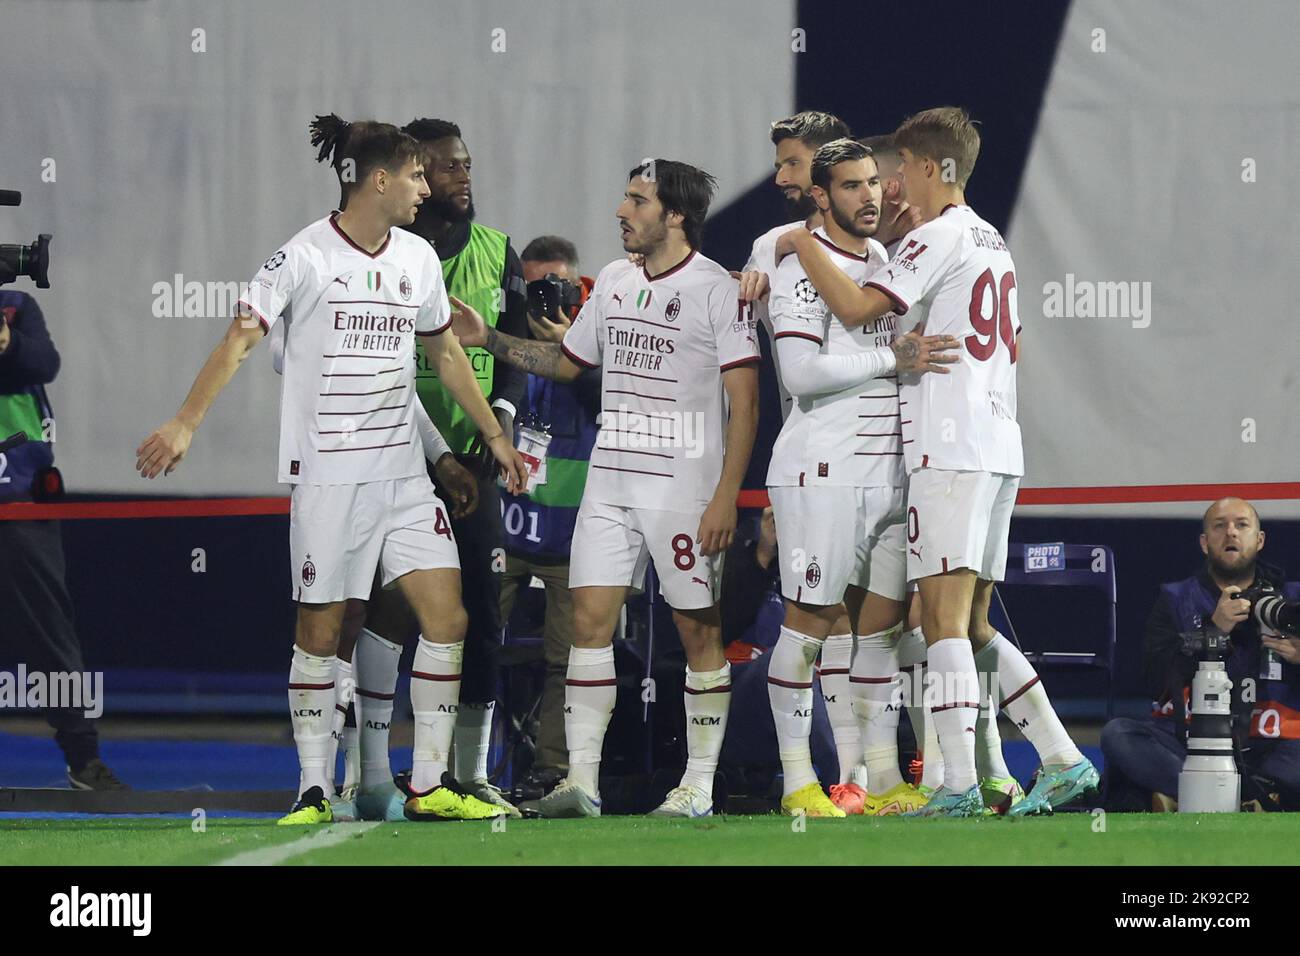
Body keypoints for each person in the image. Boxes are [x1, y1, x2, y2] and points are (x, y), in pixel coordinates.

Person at [136, 114, 525, 824]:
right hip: (329, 477)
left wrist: (491, 436)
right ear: (379, 179)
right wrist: (186, 419)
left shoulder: (415, 259)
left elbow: (442, 356)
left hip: (404, 479)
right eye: (414, 176)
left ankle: (430, 781)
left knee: (449, 617)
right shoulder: (303, 258)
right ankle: (314, 787)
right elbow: (240, 339)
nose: (424, 187)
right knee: (320, 633)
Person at [781, 106, 1097, 816]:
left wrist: (802, 248)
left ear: (926, 167)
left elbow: (863, 308)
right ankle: (1064, 756)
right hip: (997, 445)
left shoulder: (940, 233)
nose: (891, 187)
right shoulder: (992, 239)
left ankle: (955, 785)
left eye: (897, 172)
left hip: (949, 445)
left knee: (942, 623)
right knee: (975, 626)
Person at [450, 159, 761, 818]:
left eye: (636, 200)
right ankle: (581, 785)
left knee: (697, 631)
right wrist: (492, 339)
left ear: (674, 215)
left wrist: (726, 495)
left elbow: (746, 403)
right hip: (611, 479)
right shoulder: (615, 281)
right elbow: (567, 363)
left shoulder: (716, 290)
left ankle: (697, 787)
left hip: (682, 484)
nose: (621, 211)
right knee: (589, 625)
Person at [763, 138, 957, 816]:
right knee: (808, 627)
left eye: (874, 181)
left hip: (887, 475)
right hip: (822, 471)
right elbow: (800, 376)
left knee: (878, 634)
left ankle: (879, 779)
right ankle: (796, 784)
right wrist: (892, 359)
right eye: (851, 186)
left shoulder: (881, 263)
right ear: (821, 197)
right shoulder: (798, 273)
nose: (869, 195)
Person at [347, 117, 532, 819]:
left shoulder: (496, 252)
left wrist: (503, 424)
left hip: (477, 463)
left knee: (478, 614)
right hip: (394, 456)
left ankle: (465, 773)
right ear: (409, 174)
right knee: (377, 612)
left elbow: (508, 351)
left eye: (464, 166)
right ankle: (362, 774)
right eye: (445, 168)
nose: (461, 180)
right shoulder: (383, 255)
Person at [0, 289, 126, 790]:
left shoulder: (15, 305)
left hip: (22, 499)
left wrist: (6, 341)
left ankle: (83, 760)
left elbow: (43, 364)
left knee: (52, 634)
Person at [1102, 497, 1300, 810]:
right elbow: (1154, 681)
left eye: (1242, 525)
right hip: (1193, 744)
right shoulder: (1176, 598)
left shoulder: (1291, 602)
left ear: (1259, 540)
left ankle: (1193, 795)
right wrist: (1211, 633)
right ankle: (1252, 799)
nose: (1231, 533)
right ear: (1205, 543)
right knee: (1119, 734)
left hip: (1277, 743)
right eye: (1220, 527)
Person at [498, 235, 602, 800]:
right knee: (471, 637)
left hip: (573, 530)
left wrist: (572, 353)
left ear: (576, 285)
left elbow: (613, 404)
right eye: (534, 286)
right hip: (508, 524)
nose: (544, 298)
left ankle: (554, 770)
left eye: (555, 286)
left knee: (569, 657)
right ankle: (457, 767)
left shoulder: (599, 333)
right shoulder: (503, 332)